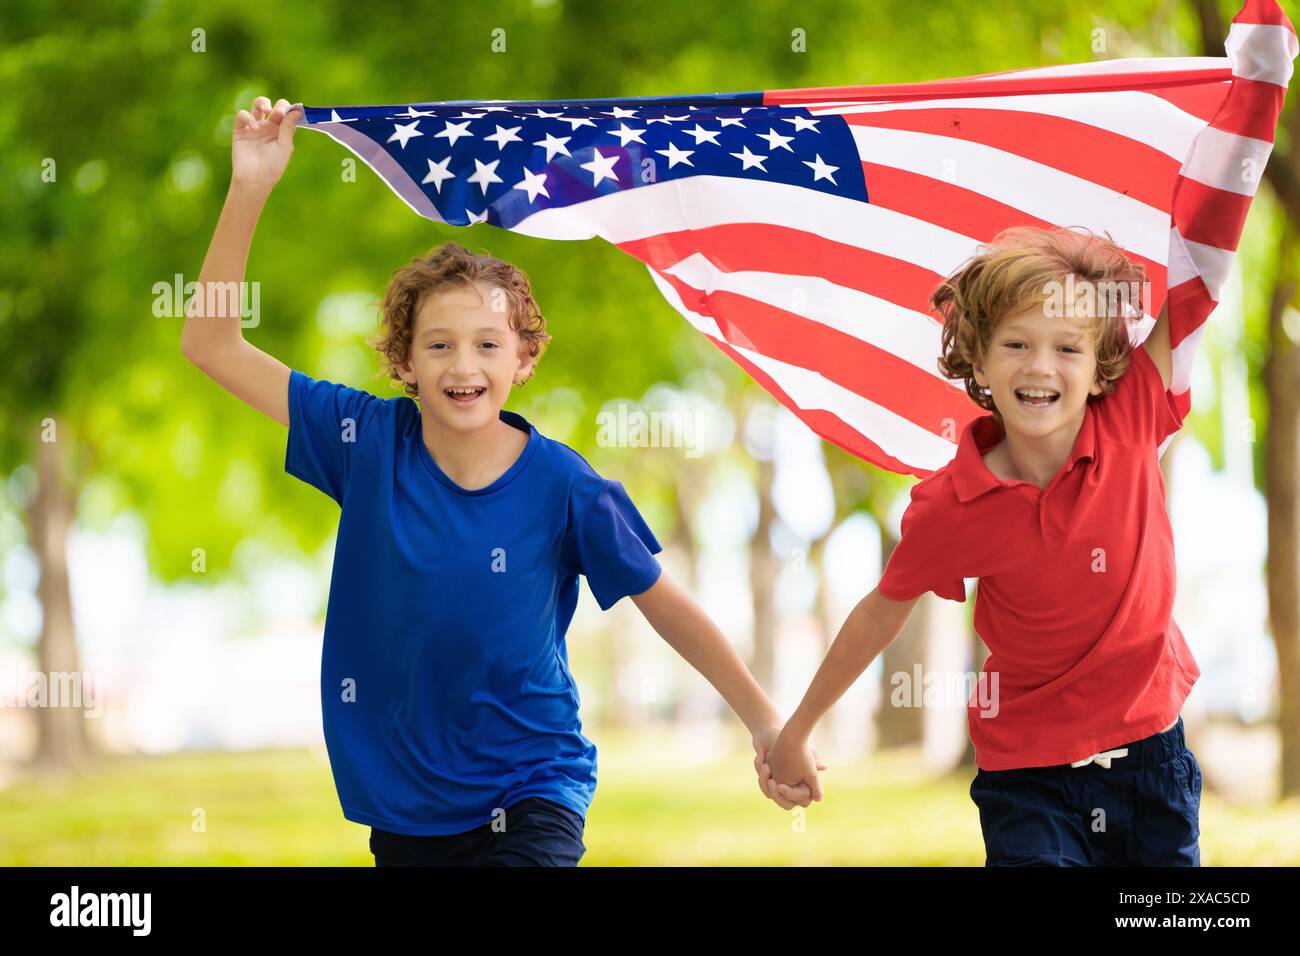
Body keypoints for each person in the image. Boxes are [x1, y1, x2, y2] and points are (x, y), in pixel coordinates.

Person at [181, 94, 817, 866]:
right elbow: (211, 343)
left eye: (488, 343)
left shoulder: (564, 486)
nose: (464, 365)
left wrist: (764, 722)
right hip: (407, 806)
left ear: (523, 360)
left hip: (532, 787)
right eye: (439, 344)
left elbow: (664, 603)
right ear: (405, 363)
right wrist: (250, 188)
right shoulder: (364, 440)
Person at [761, 225, 1203, 866]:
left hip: (1150, 752)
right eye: (1016, 344)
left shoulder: (1133, 412)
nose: (1040, 366)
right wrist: (797, 730)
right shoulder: (951, 505)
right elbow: (884, 608)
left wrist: (1243, 138)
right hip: (1029, 777)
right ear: (980, 357)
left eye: (1067, 348)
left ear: (1101, 364)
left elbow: (1199, 287)